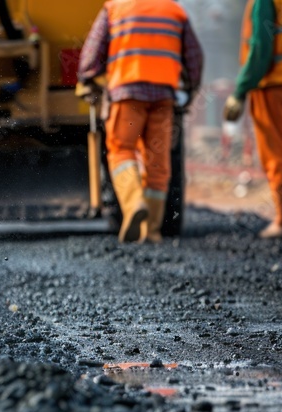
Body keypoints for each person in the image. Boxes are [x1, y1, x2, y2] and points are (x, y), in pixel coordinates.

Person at [78, 0, 203, 244]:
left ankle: (134, 203)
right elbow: (195, 58)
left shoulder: (116, 8)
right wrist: (190, 89)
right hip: (164, 98)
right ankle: (152, 231)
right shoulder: (174, 10)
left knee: (122, 150)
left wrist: (87, 78)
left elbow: (92, 53)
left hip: (128, 97)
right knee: (158, 162)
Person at [223, 0, 282, 239]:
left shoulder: (263, 1)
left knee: (274, 153)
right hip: (280, 84)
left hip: (268, 85)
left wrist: (240, 90)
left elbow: (260, 48)